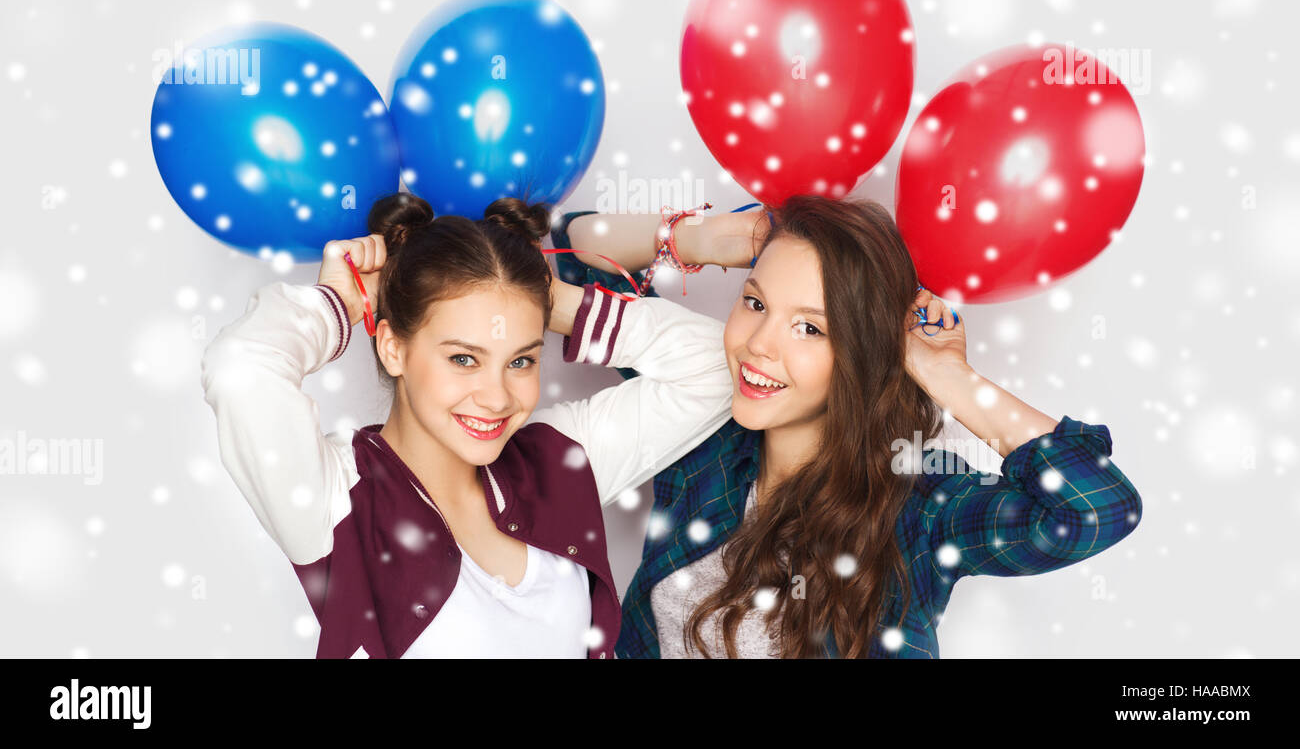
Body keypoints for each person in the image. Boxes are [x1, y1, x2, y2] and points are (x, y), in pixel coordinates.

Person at [550, 194, 1144, 658]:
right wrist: (697, 237)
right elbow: (568, 256)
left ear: (862, 356)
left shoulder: (919, 510)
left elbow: (1095, 509)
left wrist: (948, 376)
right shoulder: (703, 427)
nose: (758, 347)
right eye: (755, 303)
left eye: (811, 328)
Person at [199, 192, 740, 658]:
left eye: (521, 359)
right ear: (393, 347)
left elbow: (723, 368)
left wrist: (538, 298)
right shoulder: (336, 498)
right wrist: (339, 302)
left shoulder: (560, 459)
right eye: (463, 358)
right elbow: (240, 369)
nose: (497, 397)